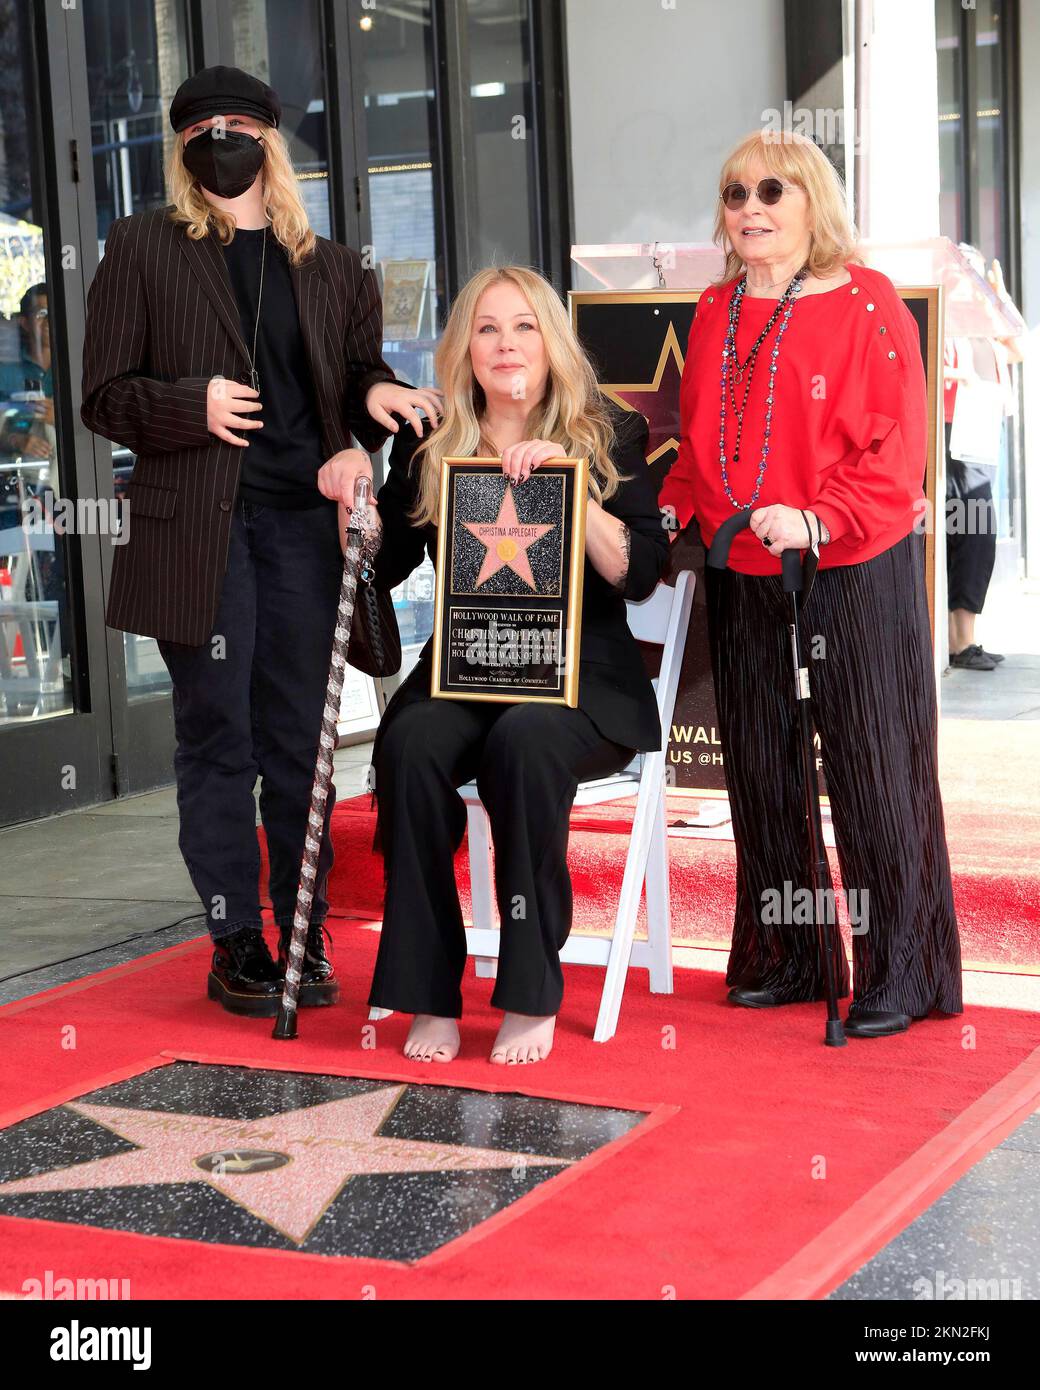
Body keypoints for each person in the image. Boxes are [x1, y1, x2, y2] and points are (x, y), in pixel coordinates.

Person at [80, 65, 441, 1017]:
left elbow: (354, 373)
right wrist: (186, 403)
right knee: (217, 738)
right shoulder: (143, 247)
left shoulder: (329, 263)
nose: (222, 137)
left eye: (240, 123)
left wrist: (378, 397)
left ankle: (304, 922)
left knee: (301, 742)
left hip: (300, 529)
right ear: (181, 147)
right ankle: (236, 934)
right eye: (203, 126)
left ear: (272, 142)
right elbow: (102, 395)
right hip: (197, 533)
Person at [659, 130, 962, 1038]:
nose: (750, 207)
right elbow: (702, 437)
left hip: (851, 562)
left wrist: (819, 516)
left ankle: (900, 971)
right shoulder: (714, 306)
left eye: (772, 191)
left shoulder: (869, 304)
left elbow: (896, 450)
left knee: (873, 769)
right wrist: (684, 506)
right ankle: (789, 957)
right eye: (735, 193)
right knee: (760, 768)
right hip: (744, 564)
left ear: (813, 202)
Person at [337, 266, 670, 1064]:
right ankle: (426, 987)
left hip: (577, 682)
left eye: (524, 326)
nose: (506, 343)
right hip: (467, 667)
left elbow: (641, 572)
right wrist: (360, 509)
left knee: (526, 738)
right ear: (465, 348)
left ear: (551, 342)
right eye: (487, 328)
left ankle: (530, 987)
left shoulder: (609, 431)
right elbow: (382, 570)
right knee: (410, 744)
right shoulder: (431, 437)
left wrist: (573, 488)